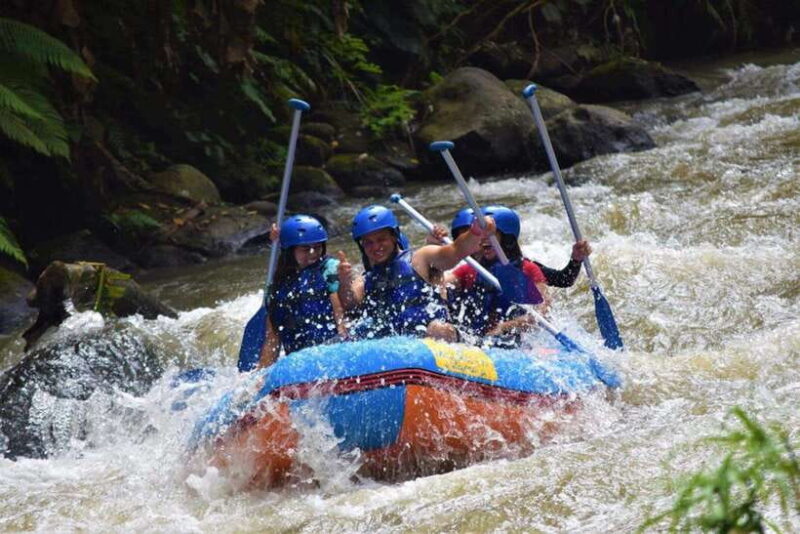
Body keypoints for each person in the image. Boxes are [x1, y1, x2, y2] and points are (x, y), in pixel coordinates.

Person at [337, 205, 495, 342]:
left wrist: (475, 232)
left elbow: (454, 252)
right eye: (369, 242)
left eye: (381, 239)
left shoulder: (420, 258)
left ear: (394, 236)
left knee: (437, 329)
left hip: (436, 339)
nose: (376, 246)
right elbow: (350, 304)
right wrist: (343, 281)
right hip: (395, 345)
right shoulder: (366, 280)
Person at [434, 205, 593, 340]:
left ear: (507, 238)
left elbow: (543, 310)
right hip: (476, 338)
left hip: (511, 341)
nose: (482, 241)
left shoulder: (528, 269)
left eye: (489, 235)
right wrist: (433, 252)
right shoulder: (470, 270)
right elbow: (437, 283)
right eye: (479, 236)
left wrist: (505, 327)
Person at [258, 214, 347, 368]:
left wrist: (343, 334)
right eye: (305, 249)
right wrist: (261, 374)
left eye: (317, 247)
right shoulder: (278, 285)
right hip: (298, 363)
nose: (313, 253)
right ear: (290, 250)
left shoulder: (329, 268)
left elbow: (339, 311)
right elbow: (272, 338)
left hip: (331, 352)